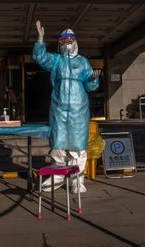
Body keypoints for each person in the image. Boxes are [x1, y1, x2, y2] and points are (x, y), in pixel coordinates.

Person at [33, 20, 99, 193]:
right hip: (59, 109)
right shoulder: (56, 61)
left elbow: (91, 87)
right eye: (63, 41)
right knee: (58, 145)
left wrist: (93, 79)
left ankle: (77, 181)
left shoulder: (83, 62)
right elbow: (40, 58)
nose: (67, 43)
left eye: (70, 40)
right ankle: (57, 177)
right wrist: (40, 40)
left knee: (78, 148)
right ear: (59, 43)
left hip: (79, 110)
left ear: (75, 41)